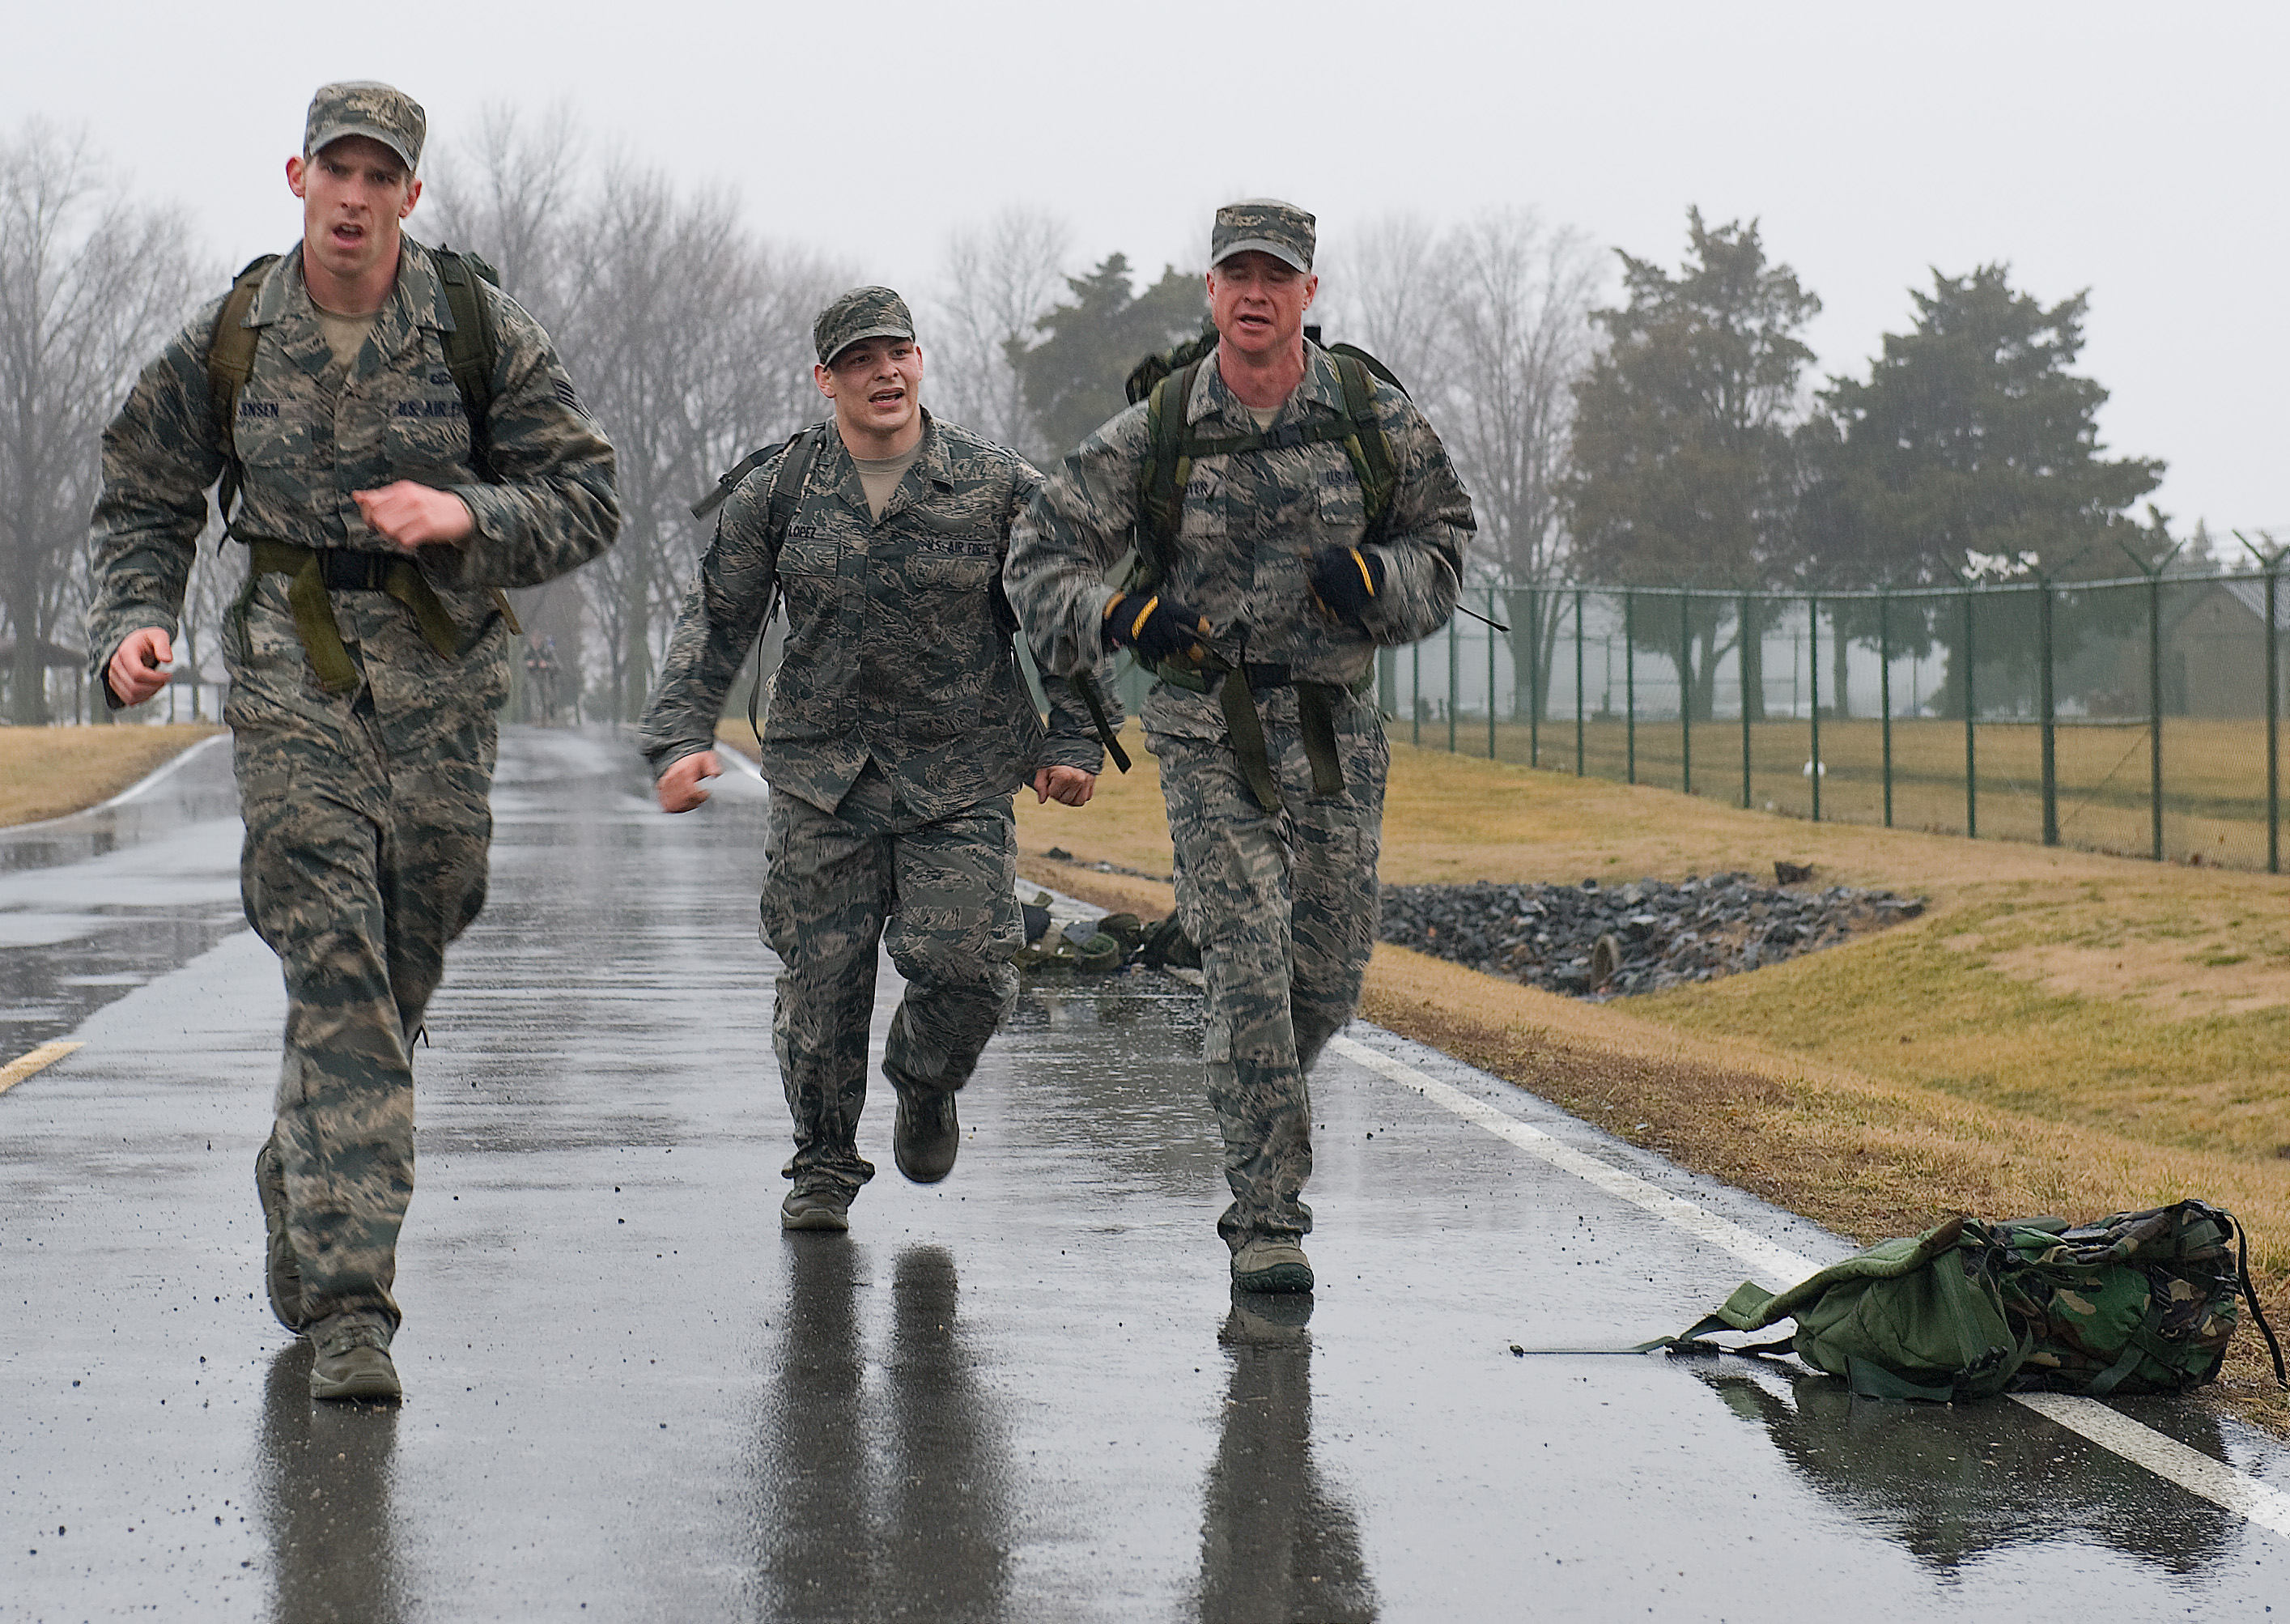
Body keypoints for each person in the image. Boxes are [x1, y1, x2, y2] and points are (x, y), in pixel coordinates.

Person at [87, 82, 619, 1400]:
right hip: (288, 667)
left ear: (411, 196)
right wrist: (134, 621)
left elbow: (586, 498)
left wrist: (466, 519)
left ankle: (303, 1158)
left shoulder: (477, 328)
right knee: (334, 954)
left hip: (442, 675)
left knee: (414, 935)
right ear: (297, 175)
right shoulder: (233, 331)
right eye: (338, 169)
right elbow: (143, 491)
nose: (355, 195)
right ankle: (352, 1304)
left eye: (382, 175)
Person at [1004, 201, 1475, 1294]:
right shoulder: (1159, 428)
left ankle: (1245, 1067)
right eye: (1236, 275)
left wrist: (1378, 582)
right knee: (1250, 953)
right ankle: (1267, 1216)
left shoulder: (1369, 415)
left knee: (1323, 972)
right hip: (1206, 726)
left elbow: (1444, 544)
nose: (1255, 293)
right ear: (1210, 292)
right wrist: (1122, 619)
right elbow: (1042, 555)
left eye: (1277, 275)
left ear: (1310, 293)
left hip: (1334, 729)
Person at [638, 287, 1110, 1234]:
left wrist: (1072, 735)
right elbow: (717, 619)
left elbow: (1062, 607)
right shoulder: (777, 490)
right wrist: (682, 736)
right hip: (823, 780)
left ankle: (926, 1085)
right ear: (826, 380)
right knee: (821, 986)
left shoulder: (996, 485)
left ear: (921, 361)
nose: (884, 371)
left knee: (972, 967)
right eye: (860, 359)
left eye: (898, 352)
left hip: (960, 775)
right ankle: (821, 1162)